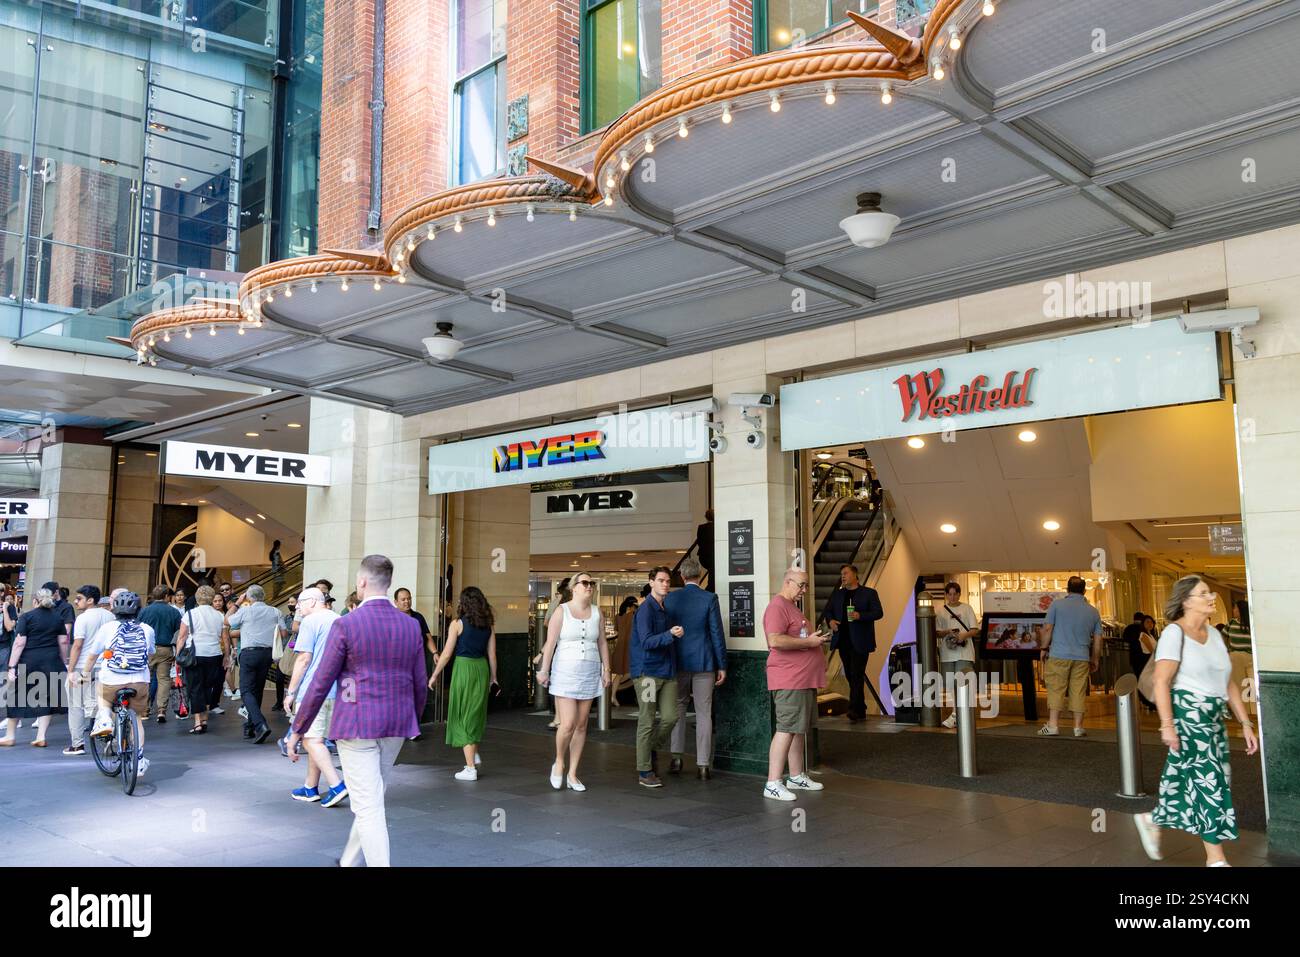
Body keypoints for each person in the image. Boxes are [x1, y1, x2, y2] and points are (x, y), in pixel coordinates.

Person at [287, 554, 427, 868]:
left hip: (357, 724)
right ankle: (349, 861)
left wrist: (298, 728)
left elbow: (322, 681)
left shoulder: (346, 624)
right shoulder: (409, 625)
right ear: (389, 584)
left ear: (362, 582)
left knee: (368, 807)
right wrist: (412, 719)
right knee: (371, 798)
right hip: (397, 723)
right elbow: (420, 681)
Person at [1134, 576, 1258, 867]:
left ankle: (1153, 818)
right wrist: (1167, 724)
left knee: (1185, 776)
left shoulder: (1215, 635)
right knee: (1211, 782)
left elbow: (1226, 682)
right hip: (1189, 714)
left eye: (1210, 591)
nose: (1212, 596)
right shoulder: (1174, 635)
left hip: (1214, 717)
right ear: (1187, 601)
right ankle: (1216, 859)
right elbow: (1162, 681)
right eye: (1204, 593)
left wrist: (1245, 722)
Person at [761, 568, 830, 800]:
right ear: (787, 582)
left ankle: (796, 775)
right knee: (786, 728)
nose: (804, 590)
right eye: (801, 585)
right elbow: (775, 639)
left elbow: (800, 640)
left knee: (798, 729)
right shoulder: (777, 606)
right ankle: (772, 782)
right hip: (790, 680)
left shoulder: (792, 607)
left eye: (806, 586)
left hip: (803, 679)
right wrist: (810, 642)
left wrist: (814, 642)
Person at [536, 571, 607, 792]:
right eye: (584, 583)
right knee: (567, 724)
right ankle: (559, 761)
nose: (589, 586)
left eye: (591, 583)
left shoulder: (597, 613)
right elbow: (551, 642)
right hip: (565, 670)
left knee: (582, 725)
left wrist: (607, 669)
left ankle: (573, 773)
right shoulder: (561, 611)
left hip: (589, 670)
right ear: (574, 587)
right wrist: (544, 669)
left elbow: (603, 643)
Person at [78, 591, 156, 777]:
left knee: (102, 694)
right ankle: (138, 760)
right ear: (138, 610)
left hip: (112, 678)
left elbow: (92, 655)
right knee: (136, 719)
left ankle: (104, 717)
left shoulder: (107, 628)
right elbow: (150, 653)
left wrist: (84, 674)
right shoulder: (147, 629)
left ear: (114, 609)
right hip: (139, 680)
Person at [283, 587, 347, 806]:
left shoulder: (310, 622)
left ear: (311, 602)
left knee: (310, 740)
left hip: (314, 689)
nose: (297, 607)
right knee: (317, 738)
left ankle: (336, 784)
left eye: (300, 602)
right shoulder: (340, 620)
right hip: (336, 690)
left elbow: (303, 660)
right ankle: (310, 787)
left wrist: (291, 692)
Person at [666, 556, 727, 779]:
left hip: (678, 663)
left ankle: (676, 758)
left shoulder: (671, 600)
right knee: (704, 712)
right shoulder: (709, 598)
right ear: (700, 576)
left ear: (681, 576)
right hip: (704, 662)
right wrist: (722, 664)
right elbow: (716, 634)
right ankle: (703, 765)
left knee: (678, 708)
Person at [428, 586, 497, 781]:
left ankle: (470, 768)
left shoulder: (457, 624)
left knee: (463, 715)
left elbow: (447, 654)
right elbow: (492, 654)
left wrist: (434, 675)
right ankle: (472, 752)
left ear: (464, 603)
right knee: (474, 712)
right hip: (481, 668)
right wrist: (494, 678)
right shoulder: (489, 624)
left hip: (464, 669)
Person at [1, 587, 71, 747]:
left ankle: (10, 736)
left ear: (35, 601)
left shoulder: (27, 617)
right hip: (52, 661)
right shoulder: (57, 617)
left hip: (29, 661)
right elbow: (63, 642)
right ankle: (41, 736)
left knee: (15, 696)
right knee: (47, 698)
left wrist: (12, 667)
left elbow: (19, 643)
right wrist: (62, 661)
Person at [631, 566, 681, 788]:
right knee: (647, 720)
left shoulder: (664, 609)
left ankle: (649, 747)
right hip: (648, 673)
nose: (665, 584)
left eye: (668, 581)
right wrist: (669, 634)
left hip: (667, 671)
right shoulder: (646, 610)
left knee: (671, 717)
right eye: (661, 580)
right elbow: (646, 641)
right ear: (651, 582)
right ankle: (644, 770)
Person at [1037, 576, 1102, 738]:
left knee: (1056, 688)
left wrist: (1044, 648)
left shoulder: (1057, 605)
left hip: (1059, 653)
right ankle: (1078, 727)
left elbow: (1047, 628)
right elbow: (1098, 639)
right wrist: (1095, 659)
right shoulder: (1093, 611)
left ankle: (1053, 726)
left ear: (1067, 589)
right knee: (1078, 690)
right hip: (1082, 657)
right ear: (1084, 590)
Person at [821, 562, 884, 723]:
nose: (843, 576)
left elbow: (878, 613)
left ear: (855, 575)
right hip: (843, 640)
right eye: (841, 574)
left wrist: (860, 616)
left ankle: (854, 709)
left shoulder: (869, 593)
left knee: (856, 673)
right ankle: (861, 708)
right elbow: (828, 611)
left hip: (861, 641)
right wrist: (831, 622)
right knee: (850, 674)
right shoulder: (838, 594)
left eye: (846, 573)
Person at [63, 586, 117, 755]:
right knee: (106, 705)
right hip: (106, 666)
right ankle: (112, 742)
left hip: (83, 666)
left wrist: (70, 670)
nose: (75, 601)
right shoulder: (111, 616)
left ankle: (77, 744)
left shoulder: (83, 618)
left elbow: (77, 645)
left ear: (90, 600)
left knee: (76, 705)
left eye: (79, 598)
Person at [227, 583, 282, 743]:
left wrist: (238, 602)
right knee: (257, 690)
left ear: (249, 597)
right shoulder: (275, 611)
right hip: (267, 654)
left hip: (249, 653)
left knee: (245, 690)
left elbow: (228, 620)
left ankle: (260, 724)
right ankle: (250, 726)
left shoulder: (245, 610)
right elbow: (283, 631)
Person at [176, 586, 230, 734]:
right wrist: (227, 656)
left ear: (197, 598)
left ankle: (198, 722)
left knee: (195, 688)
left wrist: (177, 657)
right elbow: (225, 638)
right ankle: (204, 719)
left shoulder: (190, 614)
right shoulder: (220, 615)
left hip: (195, 655)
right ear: (212, 598)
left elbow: (182, 637)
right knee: (208, 687)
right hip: (214, 655)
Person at [934, 581, 979, 729]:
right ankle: (958, 713)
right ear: (946, 595)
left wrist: (963, 636)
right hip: (947, 652)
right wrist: (949, 632)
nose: (952, 597)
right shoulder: (940, 611)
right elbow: (937, 632)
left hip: (964, 652)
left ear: (959, 594)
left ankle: (956, 715)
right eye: (950, 594)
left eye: (955, 594)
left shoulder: (967, 608)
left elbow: (974, 629)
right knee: (951, 684)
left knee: (963, 682)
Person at [140, 585, 182, 725]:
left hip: (147, 649)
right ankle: (161, 711)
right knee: (163, 679)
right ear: (166, 596)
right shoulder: (174, 612)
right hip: (165, 648)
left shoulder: (145, 611)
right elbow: (178, 632)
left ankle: (145, 710)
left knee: (147, 679)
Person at [542, 577, 573, 730]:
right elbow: (547, 622)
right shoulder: (560, 604)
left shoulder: (587, 606)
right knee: (559, 682)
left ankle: (560, 718)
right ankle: (559, 717)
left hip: (563, 648)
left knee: (560, 682)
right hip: (560, 647)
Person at [611, 595, 637, 702]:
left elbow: (616, 632)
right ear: (632, 606)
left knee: (619, 672)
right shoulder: (634, 616)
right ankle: (638, 697)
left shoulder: (618, 616)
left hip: (620, 646)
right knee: (632, 671)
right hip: (631, 646)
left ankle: (612, 695)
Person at [694, 508, 715, 591]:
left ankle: (710, 588)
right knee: (713, 571)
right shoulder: (717, 527)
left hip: (703, 557)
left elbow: (699, 541)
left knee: (712, 571)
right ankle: (710, 588)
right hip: (713, 556)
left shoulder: (701, 527)